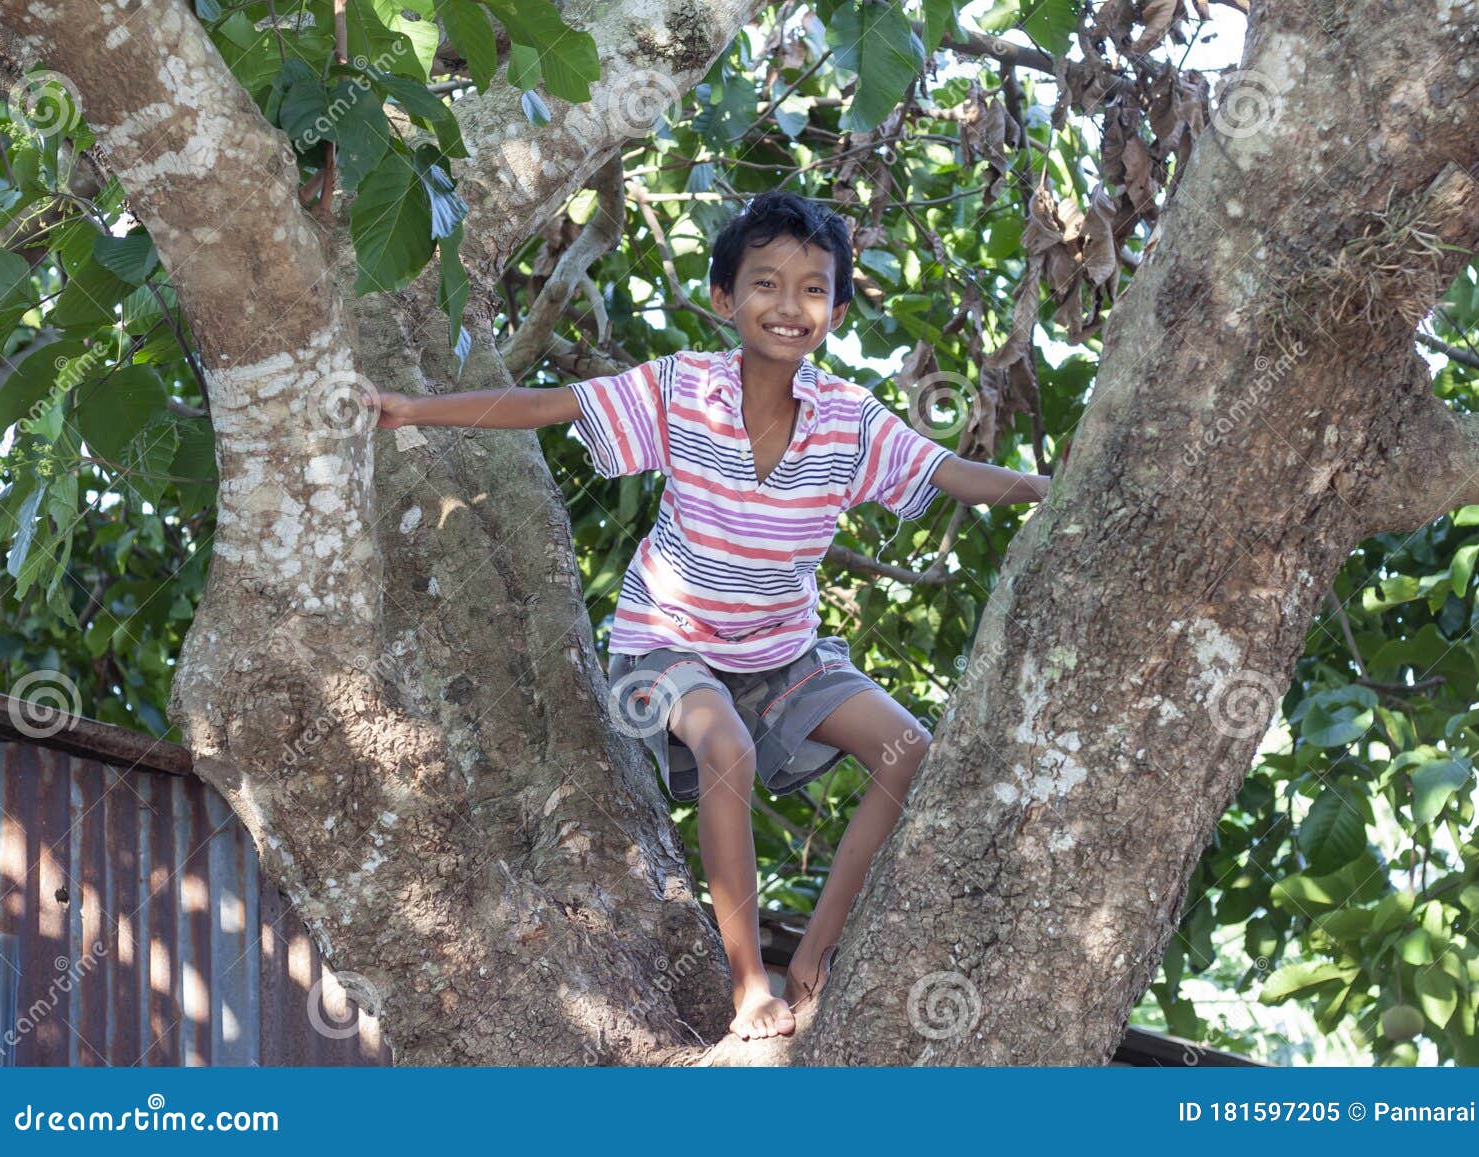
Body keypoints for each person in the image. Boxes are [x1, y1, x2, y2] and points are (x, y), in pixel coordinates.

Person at [370, 190, 1050, 1042]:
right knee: (723, 745)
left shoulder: (850, 419)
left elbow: (948, 470)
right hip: (665, 649)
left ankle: (814, 957)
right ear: (726, 299)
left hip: (782, 653)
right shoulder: (682, 389)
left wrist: (1038, 489)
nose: (788, 305)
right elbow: (552, 407)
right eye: (765, 282)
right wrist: (410, 409)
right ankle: (749, 984)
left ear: (836, 311)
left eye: (812, 289)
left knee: (909, 748)